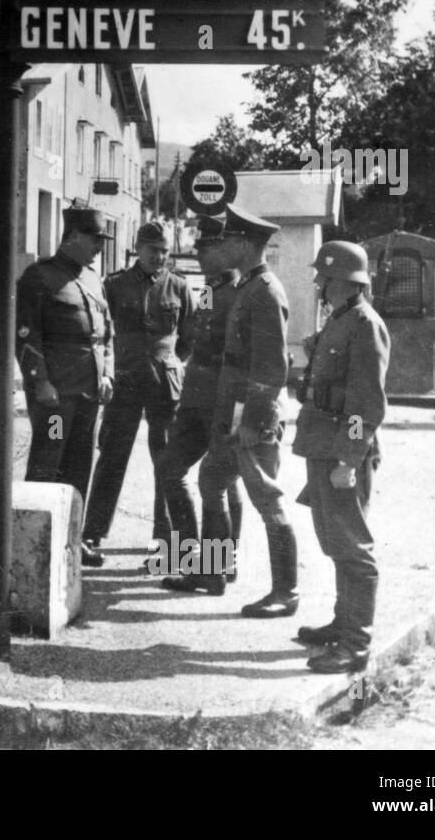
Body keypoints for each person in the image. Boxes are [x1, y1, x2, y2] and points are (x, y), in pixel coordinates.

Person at [293, 241, 390, 674]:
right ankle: (342, 622)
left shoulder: (365, 324)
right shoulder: (341, 320)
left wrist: (349, 460)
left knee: (353, 548)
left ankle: (356, 644)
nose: (318, 284)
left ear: (345, 282)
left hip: (342, 452)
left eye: (324, 278)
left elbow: (364, 403)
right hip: (322, 444)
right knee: (334, 542)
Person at [82, 221, 193, 566]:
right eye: (152, 250)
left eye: (163, 251)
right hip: (125, 380)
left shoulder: (179, 286)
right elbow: (101, 332)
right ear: (137, 249)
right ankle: (92, 533)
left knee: (167, 462)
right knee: (112, 455)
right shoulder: (113, 285)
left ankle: (165, 542)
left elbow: (188, 339)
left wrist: (168, 362)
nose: (159, 256)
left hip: (164, 384)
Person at [206, 204, 298, 619]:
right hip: (235, 414)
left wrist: (254, 423)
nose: (222, 245)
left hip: (253, 420)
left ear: (245, 243)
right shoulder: (248, 287)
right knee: (211, 480)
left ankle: (286, 592)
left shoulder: (265, 292)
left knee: (268, 499)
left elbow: (272, 367)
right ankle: (215, 569)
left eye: (228, 239)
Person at [16, 206, 114, 565]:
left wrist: (107, 375)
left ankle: (72, 540)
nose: (100, 247)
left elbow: (107, 335)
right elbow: (26, 336)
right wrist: (40, 382)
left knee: (78, 467)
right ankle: (32, 542)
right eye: (95, 239)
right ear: (72, 237)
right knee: (47, 463)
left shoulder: (92, 279)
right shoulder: (38, 277)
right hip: (56, 397)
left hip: (89, 394)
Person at [156, 215, 245, 594]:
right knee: (171, 469)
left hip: (221, 402)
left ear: (224, 249)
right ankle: (206, 564)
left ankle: (218, 566)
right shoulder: (210, 288)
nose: (198, 254)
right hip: (196, 398)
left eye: (204, 249)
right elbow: (193, 338)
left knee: (221, 481)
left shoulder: (241, 293)